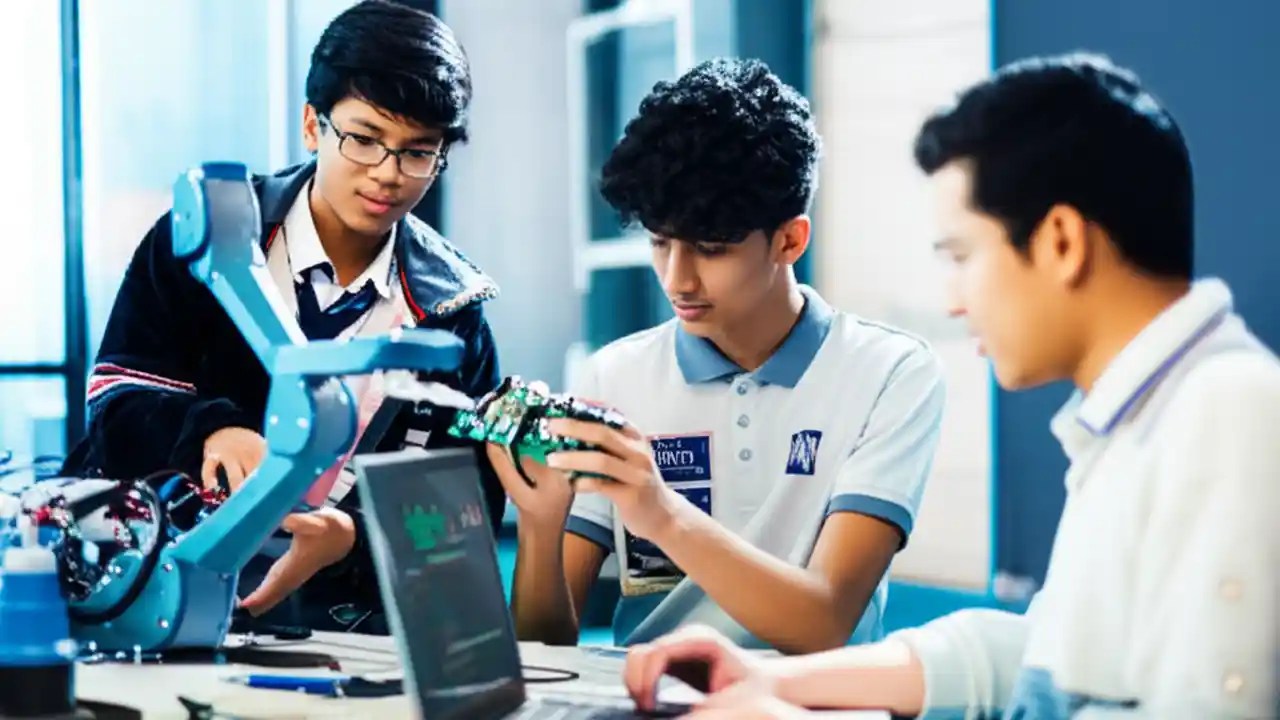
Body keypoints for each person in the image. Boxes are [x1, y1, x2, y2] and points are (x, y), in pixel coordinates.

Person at [622, 53, 1280, 719]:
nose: (955, 300)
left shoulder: (1228, 409)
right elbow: (1044, 656)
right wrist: (774, 685)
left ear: (1060, 242)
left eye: (962, 257)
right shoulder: (1142, 416)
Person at [62, 0, 505, 631]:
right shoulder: (206, 241)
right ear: (311, 124)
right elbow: (117, 398)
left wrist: (350, 537)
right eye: (364, 139)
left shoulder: (452, 308)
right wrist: (212, 431)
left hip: (336, 623)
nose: (387, 174)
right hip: (147, 590)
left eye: (417, 152)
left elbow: (465, 510)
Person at [492, 58, 946, 655]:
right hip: (649, 702)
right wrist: (540, 522)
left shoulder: (889, 372)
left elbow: (825, 621)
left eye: (710, 249)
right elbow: (543, 652)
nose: (678, 279)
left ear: (790, 240)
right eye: (660, 242)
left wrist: (657, 511)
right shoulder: (616, 374)